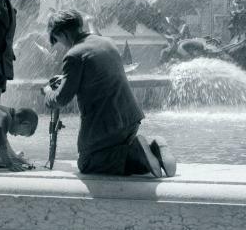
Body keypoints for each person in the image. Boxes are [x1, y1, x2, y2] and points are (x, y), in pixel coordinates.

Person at [43, 9, 176, 177]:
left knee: (87, 162)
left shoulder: (74, 55)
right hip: (130, 120)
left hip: (107, 126)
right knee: (111, 151)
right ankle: (152, 148)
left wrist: (48, 93)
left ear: (62, 33)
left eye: (57, 39)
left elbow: (61, 99)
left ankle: (135, 153)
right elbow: (96, 74)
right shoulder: (107, 42)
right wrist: (66, 79)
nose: (61, 45)